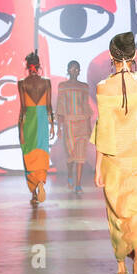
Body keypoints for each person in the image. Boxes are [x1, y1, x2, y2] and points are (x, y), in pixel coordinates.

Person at [92, 33, 137, 274]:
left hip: (113, 157)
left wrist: (98, 167)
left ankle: (121, 268)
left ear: (112, 56)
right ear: (133, 55)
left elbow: (104, 128)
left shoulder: (102, 87)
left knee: (116, 215)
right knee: (136, 211)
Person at [17, 51, 54, 206]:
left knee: (28, 153)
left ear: (27, 66)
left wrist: (20, 130)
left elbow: (23, 109)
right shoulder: (46, 83)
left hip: (29, 120)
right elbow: (49, 107)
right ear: (39, 66)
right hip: (42, 121)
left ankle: (33, 193)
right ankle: (41, 181)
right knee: (42, 151)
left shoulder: (22, 83)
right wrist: (52, 125)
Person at [56, 60, 93, 195]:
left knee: (81, 155)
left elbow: (86, 106)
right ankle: (70, 175)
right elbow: (60, 106)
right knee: (71, 154)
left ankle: (78, 184)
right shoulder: (62, 86)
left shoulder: (84, 87)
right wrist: (59, 127)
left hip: (82, 123)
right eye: (72, 68)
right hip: (69, 124)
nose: (74, 71)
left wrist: (89, 127)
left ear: (79, 71)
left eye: (77, 69)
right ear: (68, 70)